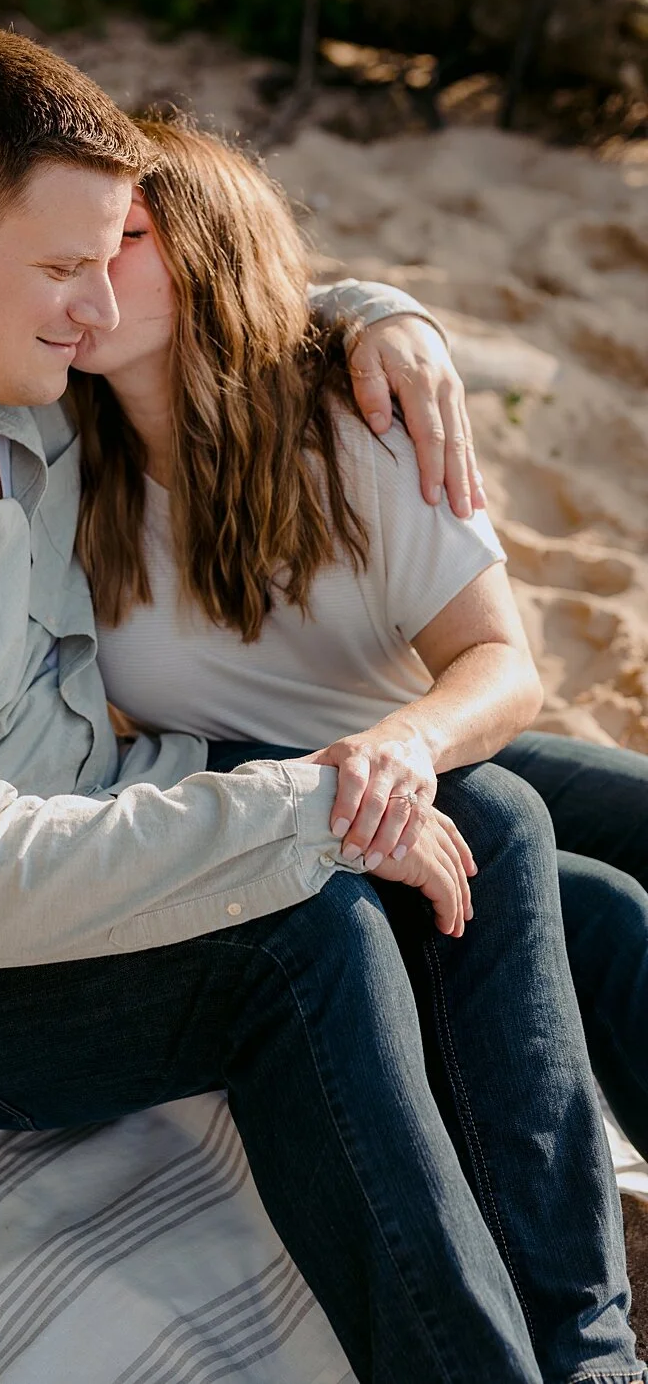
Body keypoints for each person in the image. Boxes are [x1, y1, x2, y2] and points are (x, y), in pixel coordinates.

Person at [0, 23, 637, 1382]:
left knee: (505, 829)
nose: (88, 305)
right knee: (312, 932)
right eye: (64, 268)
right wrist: (305, 811)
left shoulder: (4, 372)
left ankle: (589, 1355)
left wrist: (377, 312)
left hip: (94, 807)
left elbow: (214, 295)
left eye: (100, 260)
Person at [70, 107, 648, 1226]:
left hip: (417, 739)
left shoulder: (352, 419)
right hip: (279, 801)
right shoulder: (51, 445)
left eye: (126, 235)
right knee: (608, 919)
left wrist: (382, 312)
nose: (89, 259)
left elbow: (495, 662)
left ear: (206, 254)